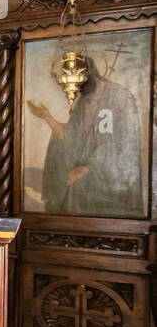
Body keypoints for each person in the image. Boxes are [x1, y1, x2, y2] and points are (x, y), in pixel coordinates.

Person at [26, 55, 142, 216]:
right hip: (83, 180)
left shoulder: (120, 96)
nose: (88, 103)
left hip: (108, 184)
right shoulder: (84, 100)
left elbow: (120, 143)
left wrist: (85, 169)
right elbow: (72, 137)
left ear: (91, 75)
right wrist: (47, 117)